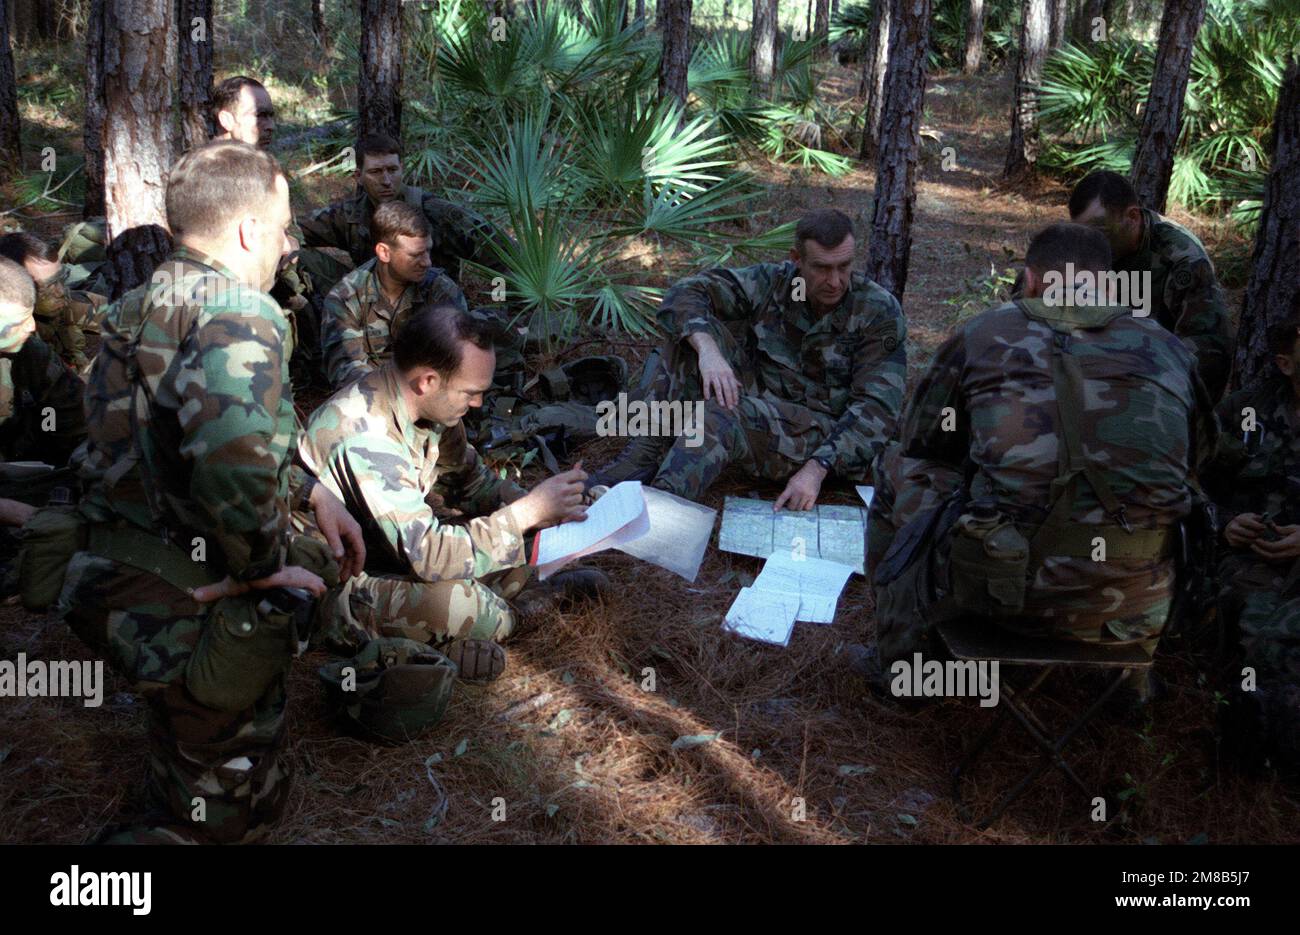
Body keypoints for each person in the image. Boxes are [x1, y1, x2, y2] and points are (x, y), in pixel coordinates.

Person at [56, 140, 364, 844]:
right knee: (237, 820)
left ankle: (181, 749)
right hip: (176, 597)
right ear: (251, 229)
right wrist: (259, 570)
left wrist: (313, 492)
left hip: (110, 570)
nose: (289, 245)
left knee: (204, 754)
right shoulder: (242, 312)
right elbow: (231, 467)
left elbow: (156, 444)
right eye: (284, 227)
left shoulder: (142, 301)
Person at [870, 222, 1216, 674]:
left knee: (895, 466)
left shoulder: (983, 334)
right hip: (1137, 614)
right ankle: (1131, 688)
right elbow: (1201, 459)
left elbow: (923, 442)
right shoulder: (1170, 349)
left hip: (1002, 597)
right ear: (1109, 284)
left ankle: (899, 659)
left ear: (1031, 280)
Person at [300, 302, 607, 680]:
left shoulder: (433, 408)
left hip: (384, 551)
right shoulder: (365, 437)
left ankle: (492, 613)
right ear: (428, 381)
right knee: (465, 607)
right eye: (470, 392)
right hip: (328, 582)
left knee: (525, 562)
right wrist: (527, 514)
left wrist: (546, 505)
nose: (477, 403)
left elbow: (475, 485)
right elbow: (429, 555)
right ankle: (510, 618)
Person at [594, 208, 905, 508]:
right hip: (764, 399)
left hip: (823, 434)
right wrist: (709, 352)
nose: (835, 281)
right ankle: (648, 451)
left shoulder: (876, 310)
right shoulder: (776, 284)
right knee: (691, 338)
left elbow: (874, 411)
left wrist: (817, 467)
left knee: (722, 413)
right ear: (796, 259)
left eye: (844, 266)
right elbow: (683, 294)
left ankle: (661, 507)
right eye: (822, 268)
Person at [1202, 295, 1300, 771]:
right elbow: (1183, 486)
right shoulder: (1245, 415)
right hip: (1250, 563)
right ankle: (1258, 743)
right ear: (1285, 362)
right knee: (1262, 631)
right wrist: (1224, 524)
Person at [1068, 169, 1233, 403]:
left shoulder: (1180, 258)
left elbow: (1209, 353)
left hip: (1156, 384)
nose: (1088, 244)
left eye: (1099, 233)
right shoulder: (1091, 244)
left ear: (1132, 217)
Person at [298, 132, 505, 292]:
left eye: (392, 170)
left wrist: (502, 308)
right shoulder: (350, 214)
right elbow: (295, 227)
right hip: (370, 308)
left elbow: (502, 254)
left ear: (402, 168)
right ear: (358, 177)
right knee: (297, 255)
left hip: (431, 312)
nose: (386, 181)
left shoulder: (436, 212)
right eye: (376, 172)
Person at [319, 200, 466, 390]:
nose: (427, 262)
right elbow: (345, 370)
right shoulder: (345, 298)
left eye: (428, 251)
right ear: (384, 252)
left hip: (430, 392)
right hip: (373, 397)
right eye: (416, 255)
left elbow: (459, 356)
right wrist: (394, 397)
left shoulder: (440, 290)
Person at [0, 231, 108, 373]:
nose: (60, 291)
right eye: (49, 285)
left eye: (61, 278)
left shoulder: (59, 301)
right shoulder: (8, 342)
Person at [211, 75, 276, 149]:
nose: (271, 126)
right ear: (226, 120)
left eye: (271, 116)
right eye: (259, 115)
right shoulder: (207, 159)